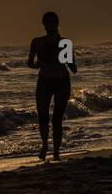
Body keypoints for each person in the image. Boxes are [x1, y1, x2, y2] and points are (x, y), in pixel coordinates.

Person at [27, 11, 77, 161]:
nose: (48, 25)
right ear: (43, 24)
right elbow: (30, 63)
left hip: (62, 82)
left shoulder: (65, 43)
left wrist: (69, 57)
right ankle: (44, 146)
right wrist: (39, 65)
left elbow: (73, 68)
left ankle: (56, 152)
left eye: (51, 23)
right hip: (44, 82)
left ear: (56, 24)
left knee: (56, 119)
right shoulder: (37, 42)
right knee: (42, 117)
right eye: (46, 23)